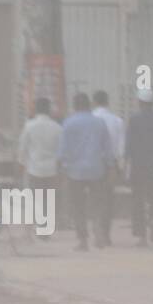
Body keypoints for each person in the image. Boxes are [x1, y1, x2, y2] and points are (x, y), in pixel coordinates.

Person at [58, 91, 111, 251]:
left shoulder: (68, 123)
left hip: (75, 171)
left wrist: (61, 167)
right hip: (96, 169)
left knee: (78, 206)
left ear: (75, 106)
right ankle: (98, 230)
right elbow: (107, 148)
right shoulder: (100, 123)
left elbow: (63, 150)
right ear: (89, 105)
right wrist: (110, 167)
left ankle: (83, 240)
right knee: (98, 203)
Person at [126, 88, 153, 246]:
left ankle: (141, 235)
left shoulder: (134, 120)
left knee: (137, 198)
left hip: (138, 165)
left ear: (139, 103)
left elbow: (129, 145)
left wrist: (126, 165)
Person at [18, 97, 62, 241]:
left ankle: (29, 231)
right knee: (48, 200)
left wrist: (21, 164)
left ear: (36, 109)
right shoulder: (57, 127)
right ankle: (44, 230)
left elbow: (23, 148)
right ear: (49, 110)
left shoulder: (29, 126)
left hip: (33, 168)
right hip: (51, 169)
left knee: (33, 200)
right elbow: (60, 150)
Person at [92, 90, 124, 247]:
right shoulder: (117, 120)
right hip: (112, 164)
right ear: (107, 102)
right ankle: (106, 233)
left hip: (93, 163)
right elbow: (121, 148)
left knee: (95, 197)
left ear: (94, 102)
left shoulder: (91, 119)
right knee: (108, 199)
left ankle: (97, 231)